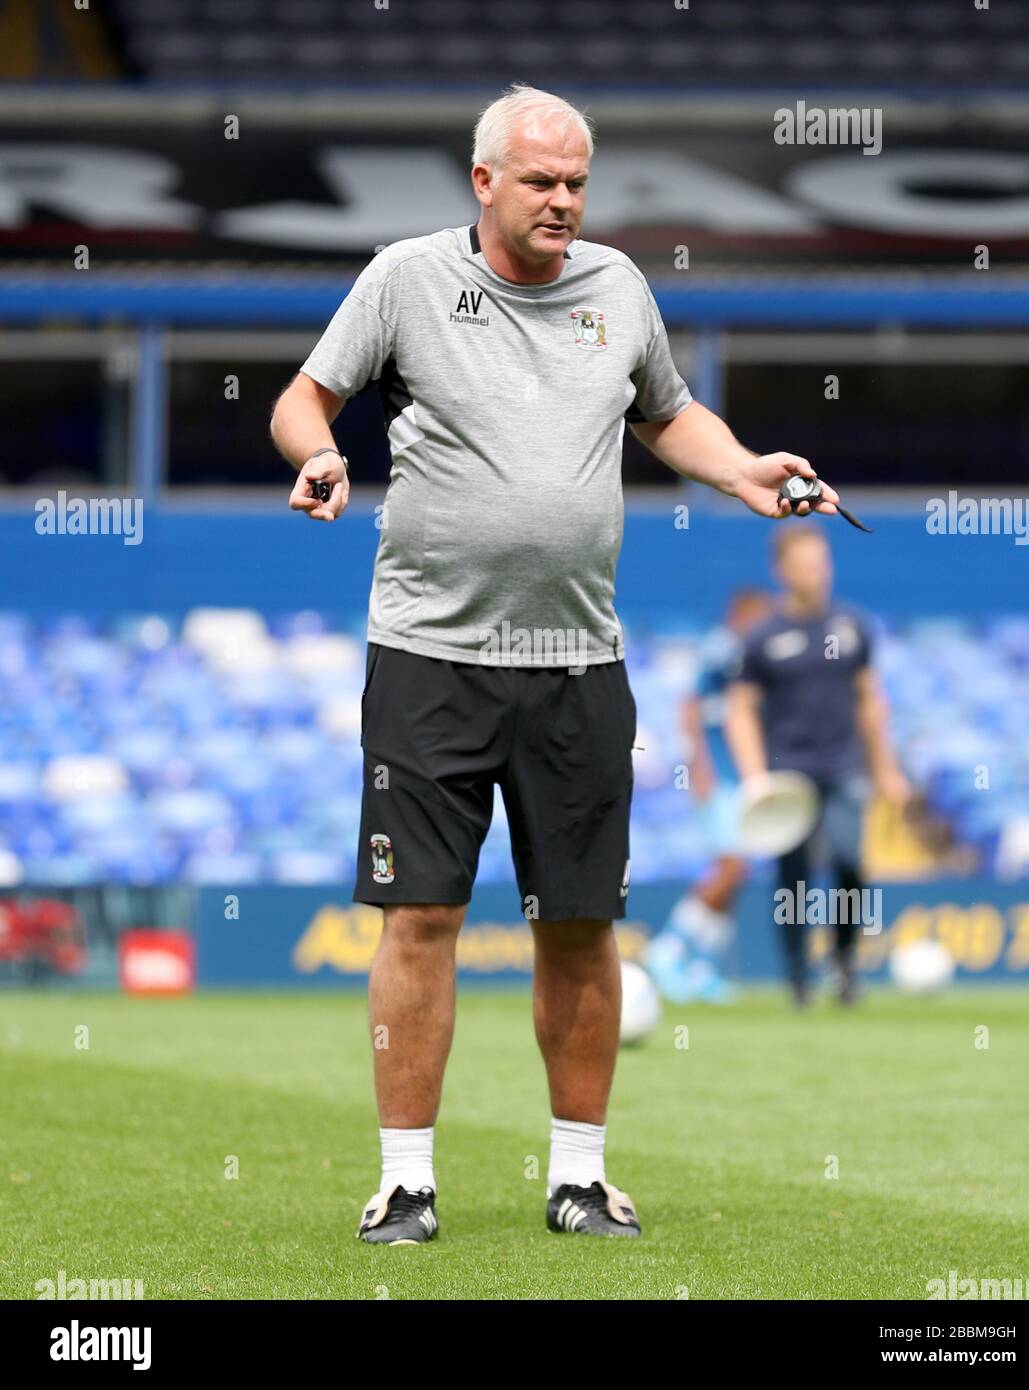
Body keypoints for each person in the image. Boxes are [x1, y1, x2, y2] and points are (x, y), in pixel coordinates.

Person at [270, 82, 838, 1245]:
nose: (564, 200)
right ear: (484, 182)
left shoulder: (618, 288)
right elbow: (302, 397)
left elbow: (667, 413)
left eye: (577, 181)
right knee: (418, 917)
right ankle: (405, 1181)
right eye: (541, 181)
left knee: (578, 924)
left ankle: (579, 1176)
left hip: (580, 662)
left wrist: (742, 472)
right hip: (429, 655)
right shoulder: (404, 280)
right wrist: (322, 454)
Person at [725, 528, 910, 1008]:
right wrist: (754, 777)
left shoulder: (852, 626)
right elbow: (740, 709)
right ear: (781, 571)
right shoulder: (763, 638)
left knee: (850, 862)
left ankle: (845, 963)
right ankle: (798, 979)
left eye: (823, 562)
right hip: (789, 776)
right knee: (795, 878)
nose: (818, 572)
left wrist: (886, 769)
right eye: (807, 563)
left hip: (843, 767)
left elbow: (871, 702)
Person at [646, 588, 772, 1004]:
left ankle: (700, 968)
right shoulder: (724, 649)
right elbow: (690, 707)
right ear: (742, 615)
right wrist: (699, 767)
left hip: (741, 778)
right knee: (732, 866)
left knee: (738, 872)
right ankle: (668, 949)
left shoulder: (750, 659)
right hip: (721, 779)